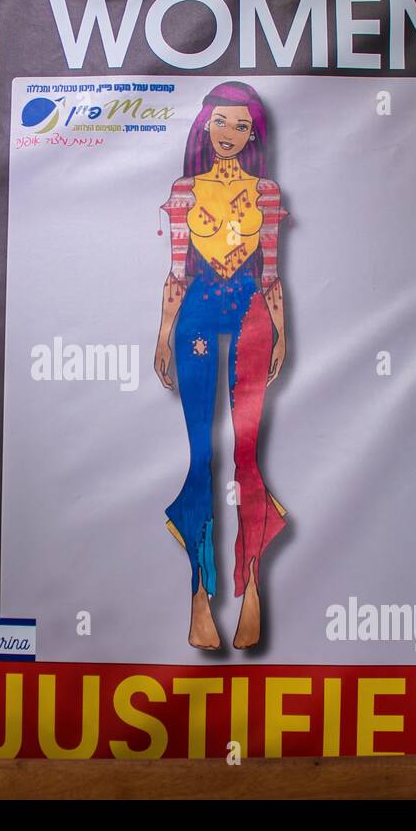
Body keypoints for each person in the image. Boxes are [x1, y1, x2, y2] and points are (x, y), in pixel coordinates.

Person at [154, 80, 288, 651]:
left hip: (253, 317)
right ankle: (199, 593)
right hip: (196, 320)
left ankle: (252, 585)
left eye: (240, 125)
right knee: (200, 455)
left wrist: (282, 330)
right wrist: (163, 332)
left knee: (247, 455)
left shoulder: (266, 193)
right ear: (205, 127)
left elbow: (272, 273)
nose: (229, 134)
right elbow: (178, 272)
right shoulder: (184, 192)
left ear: (253, 133)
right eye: (220, 122)